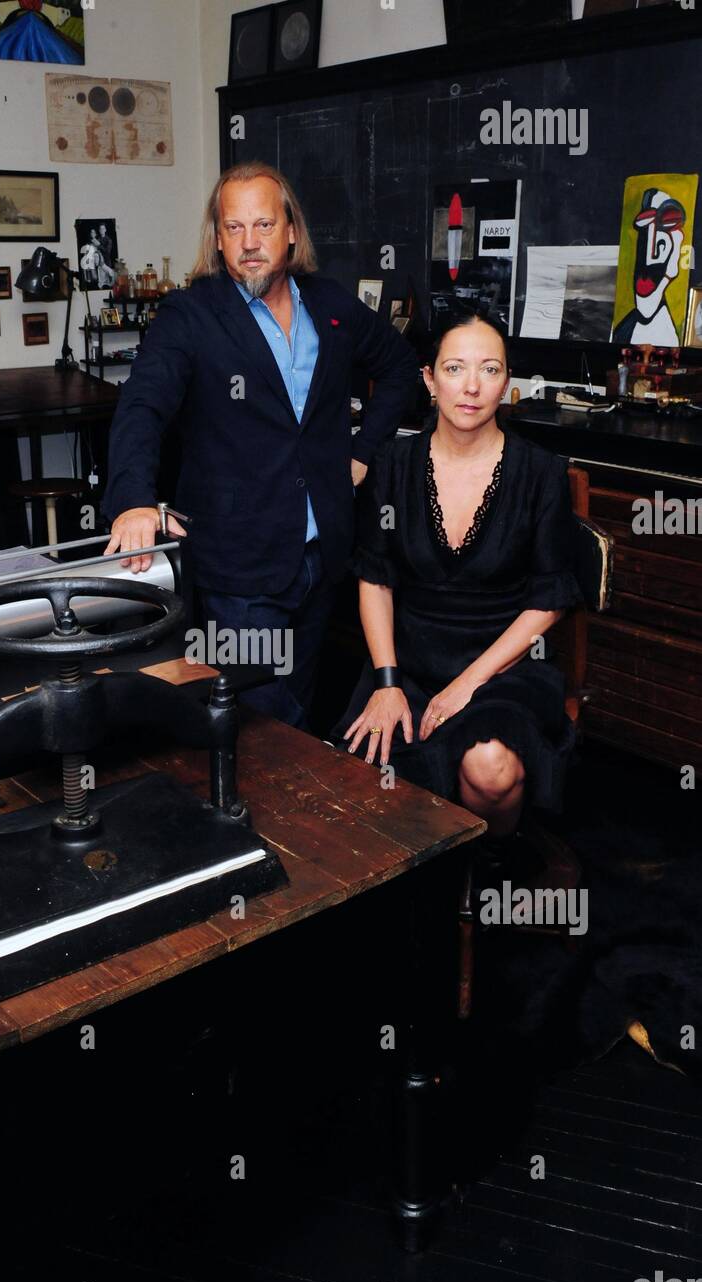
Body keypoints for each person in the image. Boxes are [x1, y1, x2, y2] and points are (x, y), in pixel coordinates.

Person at [102, 161, 418, 728]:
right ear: (218, 238)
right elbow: (142, 405)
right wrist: (133, 497)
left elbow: (399, 368)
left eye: (264, 226)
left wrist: (362, 453)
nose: (250, 244)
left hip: (322, 558)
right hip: (237, 568)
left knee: (298, 704)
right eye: (234, 228)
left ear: (291, 231)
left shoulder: (331, 305)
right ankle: (237, 813)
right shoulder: (189, 315)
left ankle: (278, 812)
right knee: (247, 715)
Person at [337, 310, 582, 868]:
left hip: (504, 666)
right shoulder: (393, 466)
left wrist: (469, 684)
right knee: (355, 780)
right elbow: (375, 578)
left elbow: (550, 598)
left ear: (507, 381)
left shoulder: (540, 473)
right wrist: (387, 680)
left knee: (490, 768)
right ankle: (421, 885)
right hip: (410, 664)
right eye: (455, 368)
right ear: (429, 379)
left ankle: (489, 861)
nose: (472, 386)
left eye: (489, 369)